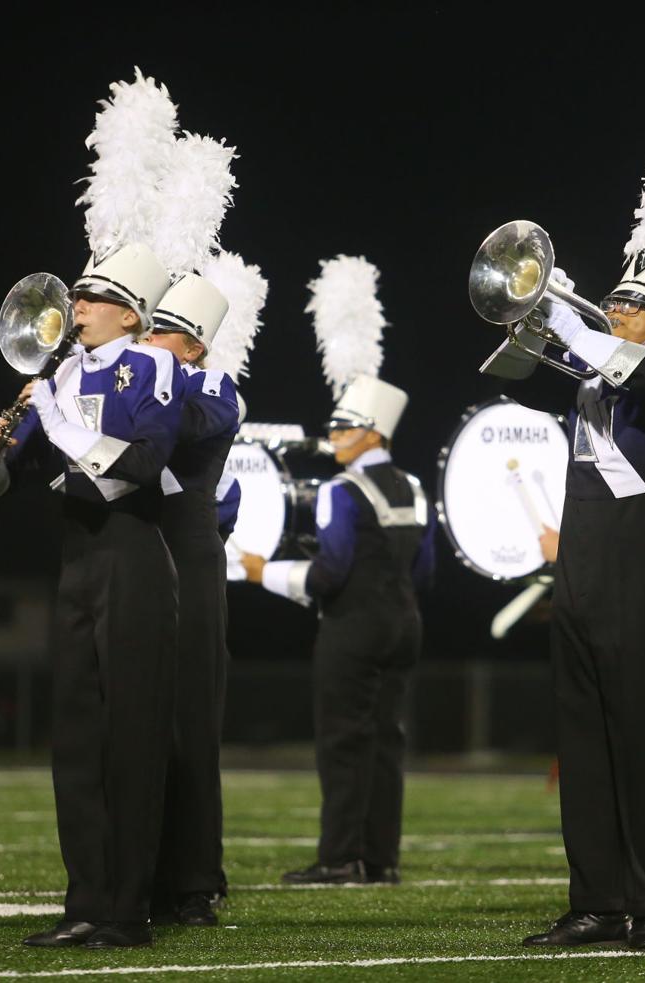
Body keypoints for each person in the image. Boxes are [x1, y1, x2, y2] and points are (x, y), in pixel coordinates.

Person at [0, 243, 181, 949]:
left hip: (133, 555)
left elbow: (142, 465)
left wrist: (57, 421)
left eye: (93, 298)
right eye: (79, 295)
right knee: (76, 742)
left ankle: (128, 911)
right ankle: (85, 902)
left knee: (132, 740)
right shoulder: (61, 373)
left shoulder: (151, 365)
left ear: (129, 313)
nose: (77, 306)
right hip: (78, 561)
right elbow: (17, 473)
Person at [512, 254, 645, 953]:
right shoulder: (602, 370)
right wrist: (538, 317)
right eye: (614, 302)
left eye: (633, 306)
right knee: (584, 744)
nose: (616, 312)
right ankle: (596, 902)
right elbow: (514, 373)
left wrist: (576, 329)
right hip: (582, 572)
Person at [241, 374, 436, 885]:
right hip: (406, 624)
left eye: (344, 427)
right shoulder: (416, 489)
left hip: (353, 627)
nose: (333, 436)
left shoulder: (341, 491)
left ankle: (339, 858)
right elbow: (424, 572)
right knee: (387, 742)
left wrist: (267, 574)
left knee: (342, 742)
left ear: (374, 433)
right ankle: (381, 860)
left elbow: (329, 576)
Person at [141, 273, 241, 927]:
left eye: (162, 332)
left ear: (195, 346)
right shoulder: (132, 380)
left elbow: (185, 425)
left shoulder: (215, 386)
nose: (147, 340)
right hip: (136, 554)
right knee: (134, 722)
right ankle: (137, 874)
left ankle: (195, 881)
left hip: (191, 565)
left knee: (192, 723)